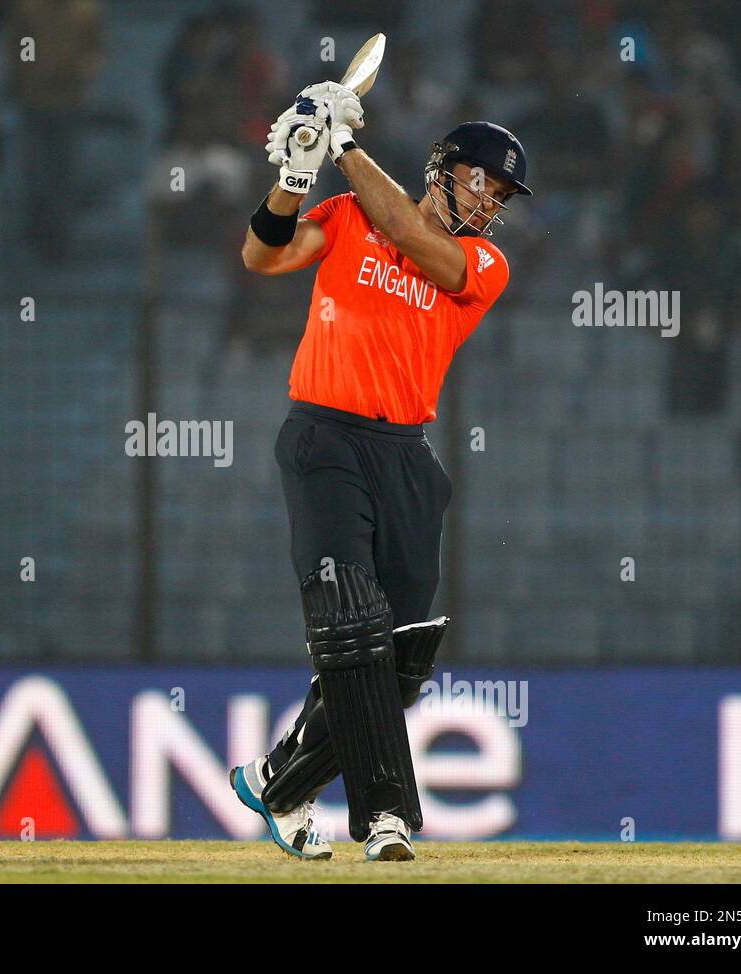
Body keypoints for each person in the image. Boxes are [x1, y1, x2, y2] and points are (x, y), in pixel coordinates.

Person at [229, 85, 532, 860]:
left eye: (500, 194)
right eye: (480, 182)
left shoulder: (483, 263)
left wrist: (339, 144)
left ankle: (278, 780)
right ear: (443, 169)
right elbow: (263, 253)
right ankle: (388, 817)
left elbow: (407, 229)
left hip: (406, 457)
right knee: (351, 623)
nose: (489, 202)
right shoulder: (349, 215)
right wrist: (295, 176)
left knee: (396, 656)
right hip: (324, 438)